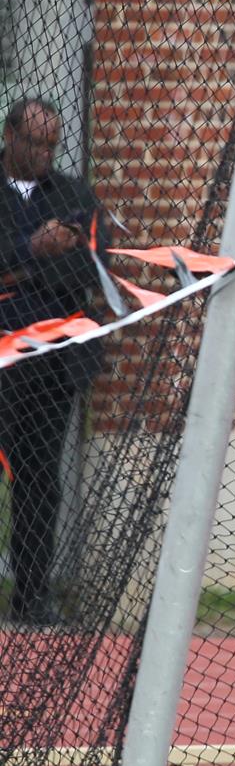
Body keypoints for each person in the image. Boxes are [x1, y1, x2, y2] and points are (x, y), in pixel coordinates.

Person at [0, 97, 110, 625]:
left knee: (40, 476)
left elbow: (96, 260)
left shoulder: (71, 194)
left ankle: (31, 596)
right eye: (34, 142)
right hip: (2, 358)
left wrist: (39, 266)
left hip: (53, 365)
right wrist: (32, 248)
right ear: (9, 135)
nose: (44, 153)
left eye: (52, 145)